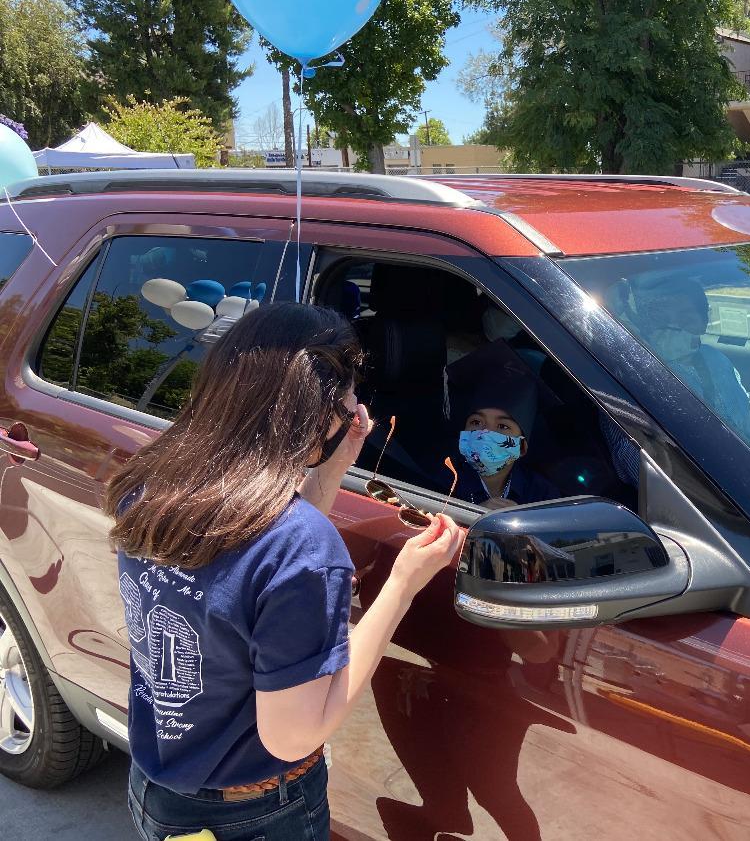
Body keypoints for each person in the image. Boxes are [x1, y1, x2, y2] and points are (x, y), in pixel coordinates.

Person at [106, 303, 462, 841]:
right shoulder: (300, 548)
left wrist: (333, 466)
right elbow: (296, 735)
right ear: (314, 413)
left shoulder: (154, 489)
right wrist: (403, 583)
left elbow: (251, 568)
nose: (352, 410)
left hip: (159, 789)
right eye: (345, 402)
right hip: (251, 818)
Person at [628, 274, 750, 444]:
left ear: (703, 323)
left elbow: (746, 415)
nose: (673, 327)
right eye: (663, 320)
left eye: (686, 318)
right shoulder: (648, 379)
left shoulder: (715, 359)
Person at [446, 340, 559, 509]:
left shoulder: (541, 495)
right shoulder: (443, 481)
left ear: (521, 446)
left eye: (502, 427)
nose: (485, 433)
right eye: (476, 422)